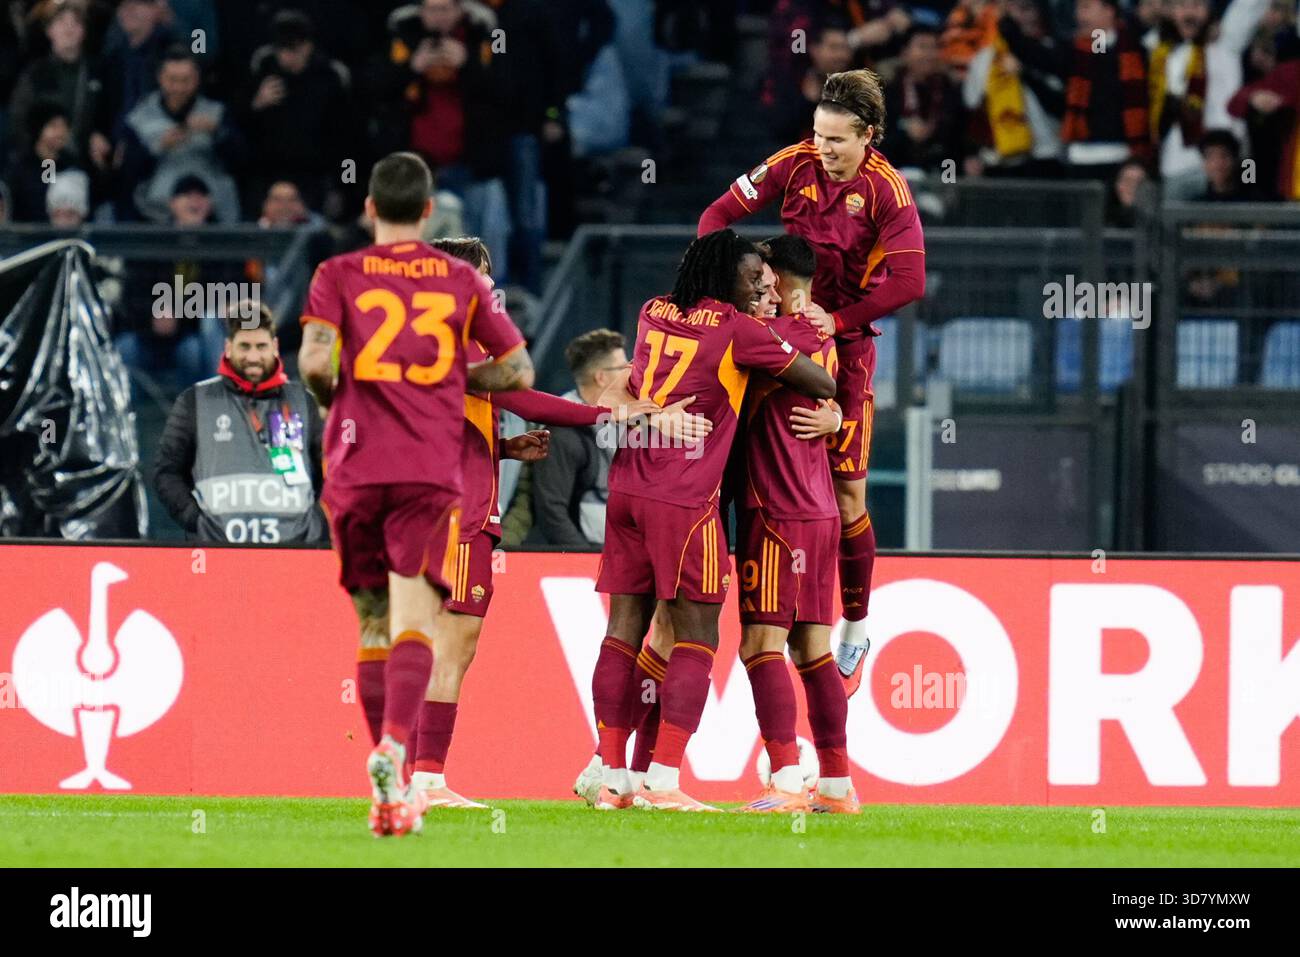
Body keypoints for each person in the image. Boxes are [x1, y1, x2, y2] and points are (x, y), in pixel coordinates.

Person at [296, 152, 534, 837]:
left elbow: (312, 362)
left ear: (369, 207)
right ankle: (397, 750)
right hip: (426, 471)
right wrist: (448, 378)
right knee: (416, 621)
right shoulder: (461, 280)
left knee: (372, 623)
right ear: (429, 211)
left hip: (356, 466)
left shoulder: (335, 273)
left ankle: (392, 784)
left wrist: (339, 396)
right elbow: (518, 369)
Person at [406, 237, 662, 809]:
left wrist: (503, 449)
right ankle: (425, 780)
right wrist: (608, 411)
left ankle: (416, 778)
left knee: (441, 648)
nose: (491, 288)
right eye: (481, 277)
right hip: (458, 518)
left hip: (445, 509)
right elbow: (527, 399)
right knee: (452, 648)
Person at [697, 68, 927, 696]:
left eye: (836, 139)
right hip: (775, 336)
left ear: (868, 136)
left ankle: (855, 627)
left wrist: (841, 320)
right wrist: (728, 292)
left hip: (844, 348)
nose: (822, 148)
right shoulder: (793, 162)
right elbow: (717, 214)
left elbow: (910, 281)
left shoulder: (887, 192)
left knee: (849, 496)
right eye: (818, 134)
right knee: (734, 462)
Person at [588, 228, 835, 811]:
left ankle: (612, 775)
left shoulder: (653, 312)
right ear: (725, 280)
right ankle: (664, 780)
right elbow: (821, 380)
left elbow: (611, 395)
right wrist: (807, 335)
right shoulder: (739, 330)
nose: (759, 290)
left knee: (623, 631)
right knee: (698, 638)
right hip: (684, 499)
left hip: (627, 488)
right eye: (751, 280)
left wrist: (648, 411)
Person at [151, 301, 327, 544]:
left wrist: (315, 522)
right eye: (244, 346)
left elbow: (332, 468)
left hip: (295, 553)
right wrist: (197, 521)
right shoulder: (195, 400)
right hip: (219, 553)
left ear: (275, 347)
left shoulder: (303, 402)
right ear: (228, 347)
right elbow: (167, 473)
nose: (253, 357)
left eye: (261, 346)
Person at [1146, 0, 1268, 199]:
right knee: (1174, 218)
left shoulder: (1226, 42)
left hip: (1227, 164)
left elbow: (1251, 5)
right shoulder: (1158, 51)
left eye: (1197, 5)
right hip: (1177, 164)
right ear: (1170, 12)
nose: (1189, 13)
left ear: (1210, 11)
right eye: (1181, 6)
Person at [118, 45, 245, 223]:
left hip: (212, 207)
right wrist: (158, 147)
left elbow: (240, 161)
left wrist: (218, 133)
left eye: (186, 80)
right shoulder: (140, 117)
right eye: (172, 80)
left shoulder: (216, 113)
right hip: (158, 209)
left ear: (197, 79)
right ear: (160, 78)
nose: (178, 88)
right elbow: (127, 171)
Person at [527, 329, 630, 547]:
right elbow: (552, 512)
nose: (630, 373)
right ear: (601, 377)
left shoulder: (624, 421)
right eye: (623, 368)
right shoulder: (561, 433)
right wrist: (587, 559)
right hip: (586, 554)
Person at [1060, 0, 1152, 181]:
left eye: (1086, 7)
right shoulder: (1085, 47)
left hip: (1122, 156)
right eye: (1078, 9)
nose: (1079, 15)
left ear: (1108, 11)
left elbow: (1103, 77)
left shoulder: (1134, 47)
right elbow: (1100, 66)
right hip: (1082, 154)